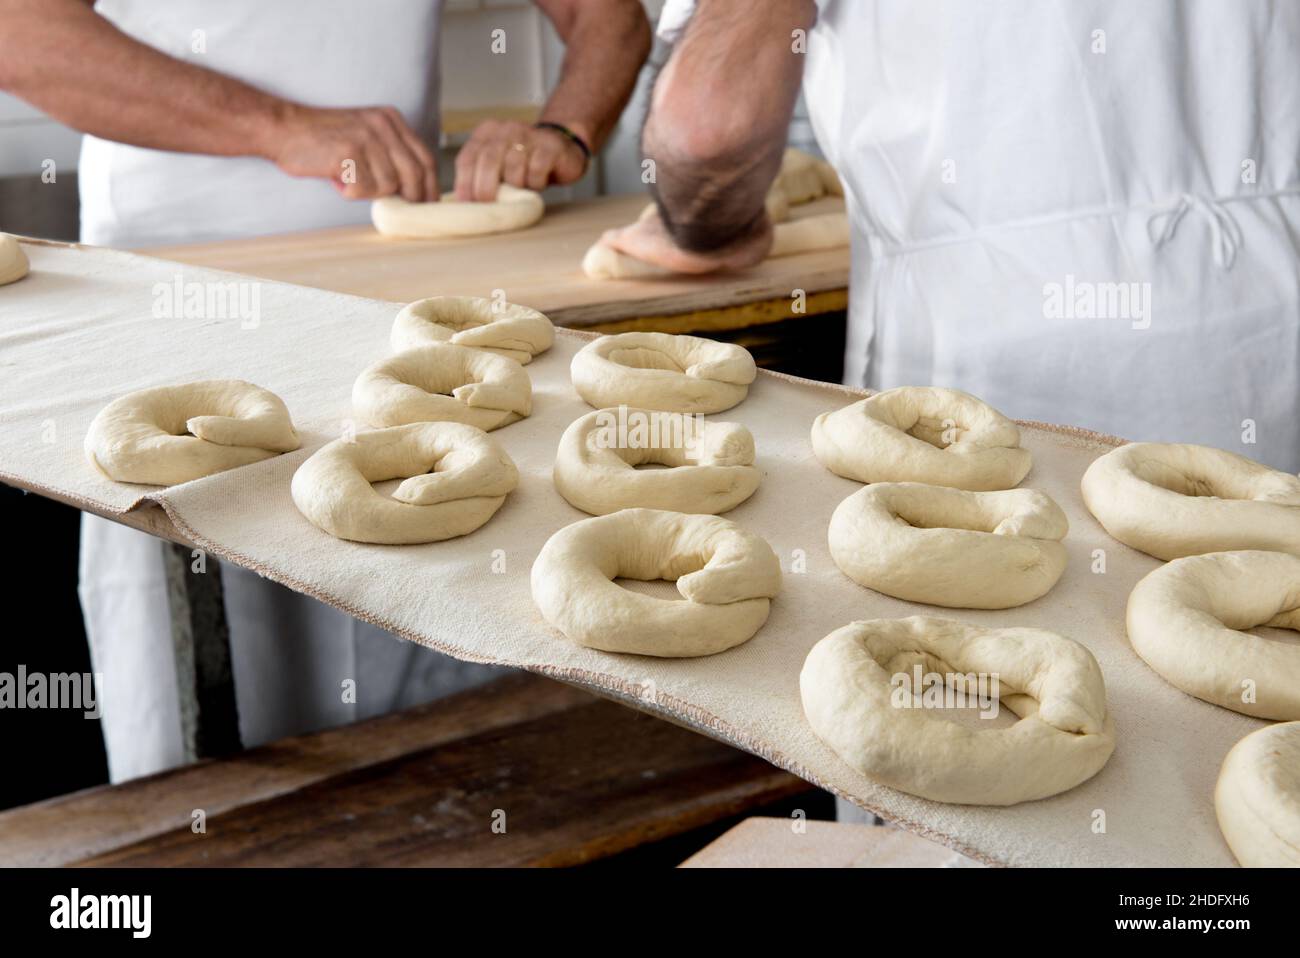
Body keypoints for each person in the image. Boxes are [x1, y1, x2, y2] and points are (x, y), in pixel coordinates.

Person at [0, 0, 651, 781]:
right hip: (172, 317)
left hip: (399, 314)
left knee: (434, 728)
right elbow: (20, 32)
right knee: (205, 709)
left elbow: (610, 17)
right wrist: (281, 126)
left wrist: (563, 130)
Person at [607, 0, 1300, 475]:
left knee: (1006, 659)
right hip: (1277, 330)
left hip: (1014, 370)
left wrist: (708, 228)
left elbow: (709, 132)